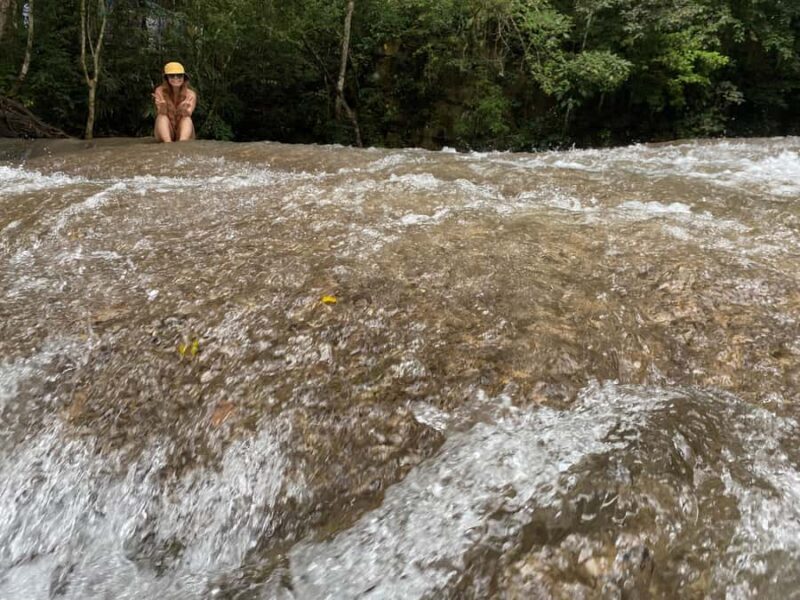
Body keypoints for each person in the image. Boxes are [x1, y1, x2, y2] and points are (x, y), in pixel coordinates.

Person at [153, 62, 197, 142]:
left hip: (182, 129)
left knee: (186, 118)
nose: (176, 78)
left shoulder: (191, 94)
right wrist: (163, 107)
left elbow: (188, 114)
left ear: (184, 78)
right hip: (167, 129)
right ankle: (168, 143)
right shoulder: (159, 91)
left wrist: (185, 110)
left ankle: (182, 143)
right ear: (167, 78)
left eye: (179, 75)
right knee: (161, 117)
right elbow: (161, 112)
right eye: (172, 76)